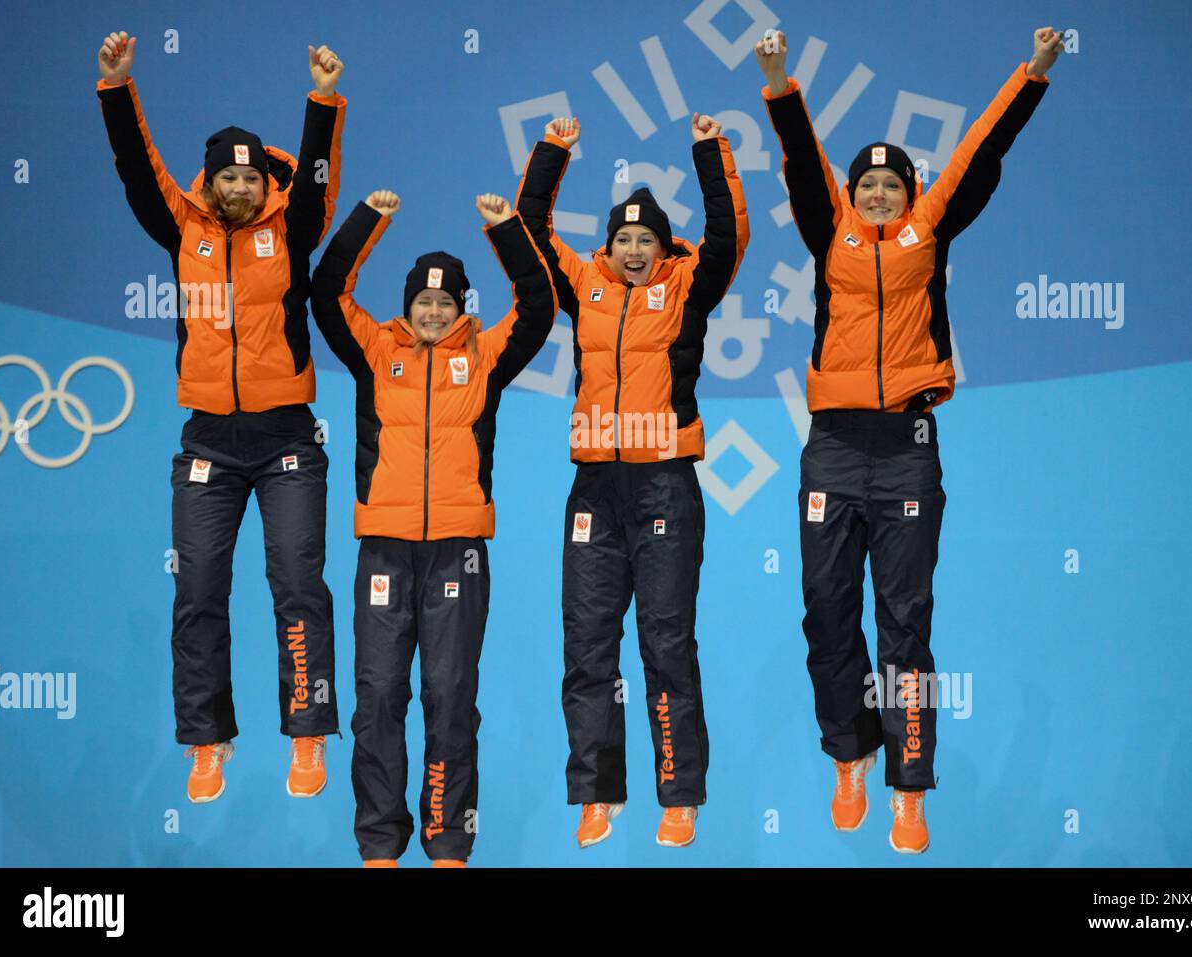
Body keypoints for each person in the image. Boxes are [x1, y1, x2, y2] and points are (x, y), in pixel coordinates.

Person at [755, 26, 1064, 853]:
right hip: (830, 442)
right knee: (826, 614)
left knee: (906, 620)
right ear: (852, 195)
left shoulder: (932, 231)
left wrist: (1031, 73)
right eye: (870, 185)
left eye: (893, 184)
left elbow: (981, 152)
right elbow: (799, 155)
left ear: (909, 190)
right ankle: (850, 753)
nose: (882, 195)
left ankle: (909, 784)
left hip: (907, 446)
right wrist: (781, 81)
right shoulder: (832, 236)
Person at [97, 31, 347, 803]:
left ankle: (308, 733)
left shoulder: (289, 230)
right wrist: (117, 85)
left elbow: (314, 179)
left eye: (249, 175)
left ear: (261, 180)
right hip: (206, 439)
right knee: (199, 588)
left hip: (284, 440)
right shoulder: (184, 229)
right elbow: (139, 172)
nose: (239, 185)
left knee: (297, 583)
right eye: (226, 175)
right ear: (209, 182)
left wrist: (323, 99)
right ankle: (206, 742)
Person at [515, 113, 749, 849]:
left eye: (648, 239)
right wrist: (553, 152)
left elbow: (728, 233)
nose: (636, 250)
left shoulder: (686, 289)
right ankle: (596, 792)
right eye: (624, 239)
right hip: (594, 489)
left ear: (662, 247)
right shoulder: (583, 287)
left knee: (665, 643)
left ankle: (678, 794)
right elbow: (528, 226)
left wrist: (711, 151)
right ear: (608, 246)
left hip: (664, 488)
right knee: (586, 645)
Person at [309, 191, 556, 867]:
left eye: (447, 302)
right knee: (379, 697)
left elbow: (539, 304)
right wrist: (370, 220)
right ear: (408, 302)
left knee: (449, 699)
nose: (434, 310)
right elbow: (327, 287)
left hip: (458, 552)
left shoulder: (483, 356)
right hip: (384, 548)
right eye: (424, 299)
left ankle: (447, 842)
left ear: (462, 308)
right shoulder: (372, 348)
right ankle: (379, 846)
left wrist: (505, 228)